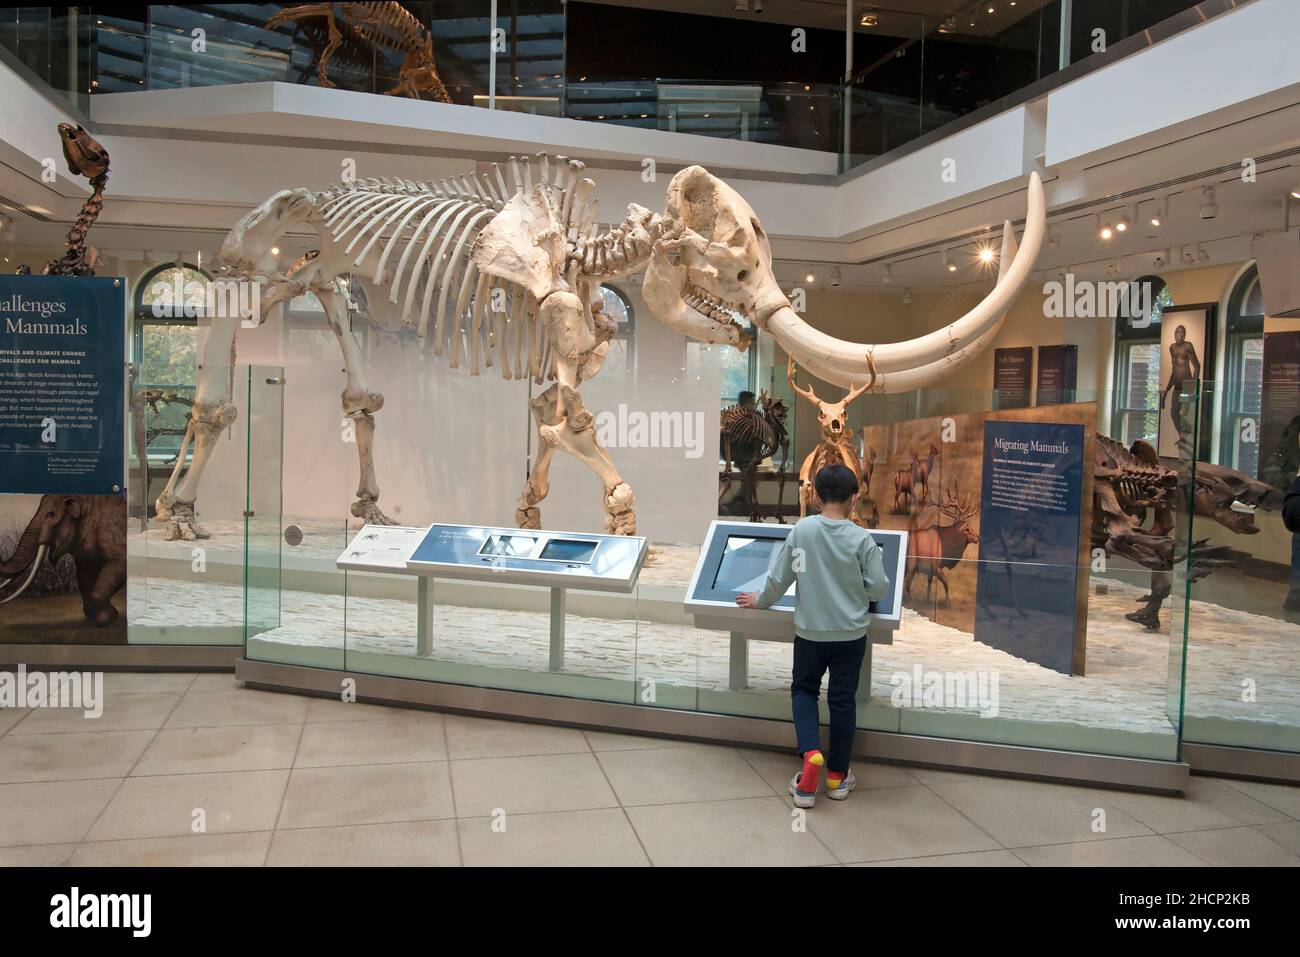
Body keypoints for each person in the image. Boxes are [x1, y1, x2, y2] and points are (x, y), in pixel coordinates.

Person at [736, 463, 890, 808]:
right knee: (842, 701)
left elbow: (781, 577)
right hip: (850, 636)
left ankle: (809, 759)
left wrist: (761, 600)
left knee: (804, 691)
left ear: (815, 496)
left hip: (811, 634)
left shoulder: (802, 531)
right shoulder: (861, 538)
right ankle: (837, 777)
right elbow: (879, 585)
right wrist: (860, 591)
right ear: (855, 497)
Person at [1159, 324, 1201, 441]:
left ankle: (1187, 438)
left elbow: (1197, 366)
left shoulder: (1188, 346)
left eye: (1182, 332)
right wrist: (1166, 392)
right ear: (1174, 334)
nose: (1179, 335)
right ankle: (1183, 437)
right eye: (1177, 332)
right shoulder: (1172, 347)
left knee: (1187, 415)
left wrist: (1192, 386)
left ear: (1185, 334)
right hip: (1176, 388)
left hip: (1186, 387)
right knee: (1174, 414)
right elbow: (1174, 372)